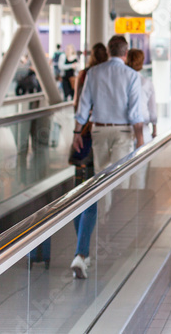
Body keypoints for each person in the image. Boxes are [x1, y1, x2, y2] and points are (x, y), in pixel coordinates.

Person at [71, 35, 146, 279]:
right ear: (125, 54)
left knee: (98, 179)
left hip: (99, 130)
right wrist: (141, 139)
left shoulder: (94, 73)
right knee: (119, 181)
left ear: (110, 50)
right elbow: (135, 110)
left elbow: (84, 106)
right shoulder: (132, 75)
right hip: (123, 131)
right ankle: (110, 225)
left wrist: (76, 132)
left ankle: (99, 218)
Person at [62, 42, 109, 275]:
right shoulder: (109, 75)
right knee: (92, 198)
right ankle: (82, 253)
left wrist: (76, 133)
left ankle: (82, 252)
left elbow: (77, 106)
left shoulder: (84, 75)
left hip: (84, 138)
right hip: (103, 138)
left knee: (79, 194)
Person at [128, 48, 157, 139]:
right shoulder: (147, 83)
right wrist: (154, 129)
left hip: (125, 126)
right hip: (143, 126)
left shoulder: (121, 81)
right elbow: (152, 108)